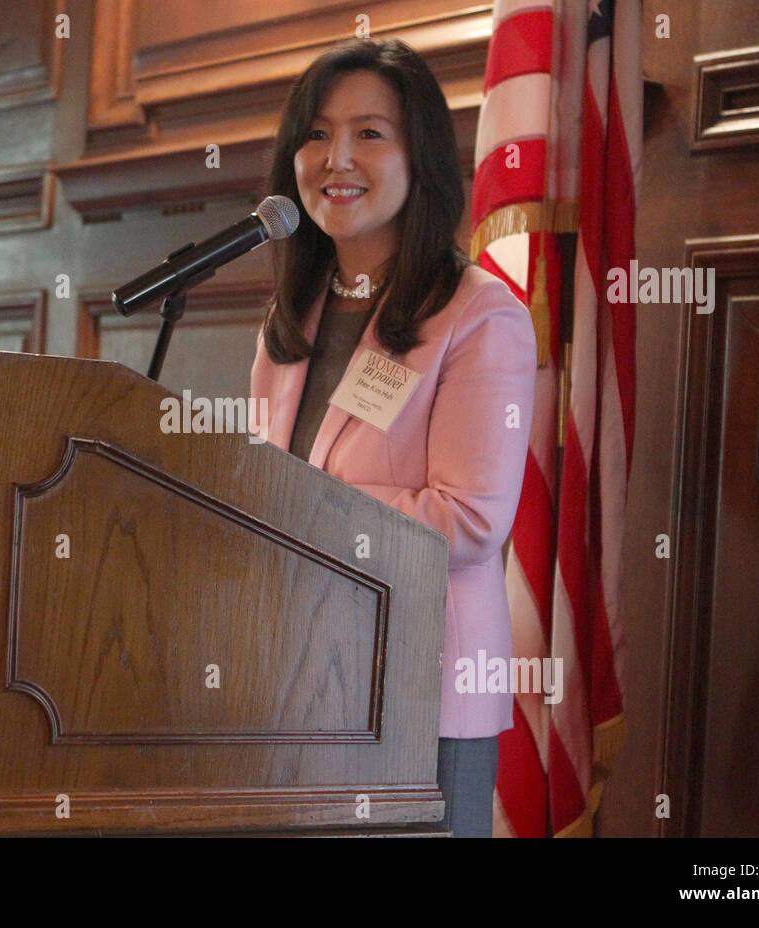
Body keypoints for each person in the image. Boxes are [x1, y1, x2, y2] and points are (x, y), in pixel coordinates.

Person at [249, 38, 536, 837]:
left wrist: (290, 511)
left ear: (422, 159)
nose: (336, 157)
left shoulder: (481, 315)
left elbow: (470, 522)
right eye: (315, 133)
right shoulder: (289, 321)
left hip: (417, 699)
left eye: (369, 133)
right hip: (293, 688)